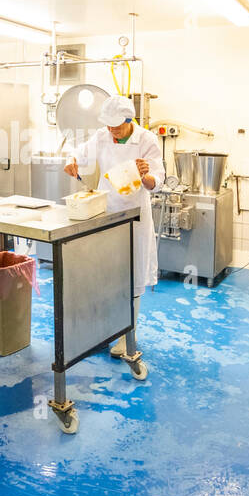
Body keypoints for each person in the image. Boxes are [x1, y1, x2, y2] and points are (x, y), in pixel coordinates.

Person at [64, 96, 164, 357]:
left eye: (116, 127)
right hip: (106, 211)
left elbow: (157, 181)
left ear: (130, 121)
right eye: (108, 126)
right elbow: (80, 153)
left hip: (135, 215)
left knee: (132, 275)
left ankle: (126, 335)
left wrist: (145, 176)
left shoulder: (146, 140)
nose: (111, 131)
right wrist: (72, 160)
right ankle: (104, 329)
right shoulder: (102, 136)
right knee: (105, 272)